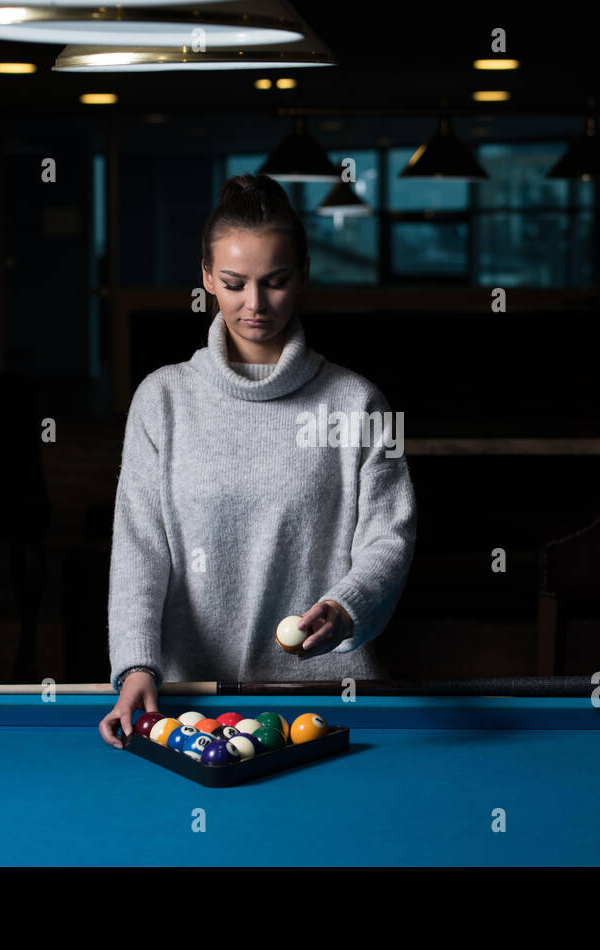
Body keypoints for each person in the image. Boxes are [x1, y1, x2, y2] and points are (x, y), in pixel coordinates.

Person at [99, 173, 417, 747]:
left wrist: (347, 607)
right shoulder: (161, 399)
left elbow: (389, 540)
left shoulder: (358, 400)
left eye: (275, 282)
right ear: (205, 279)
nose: (255, 304)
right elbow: (139, 551)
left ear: (303, 277)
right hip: (190, 711)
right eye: (234, 282)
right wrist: (136, 664)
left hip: (327, 706)